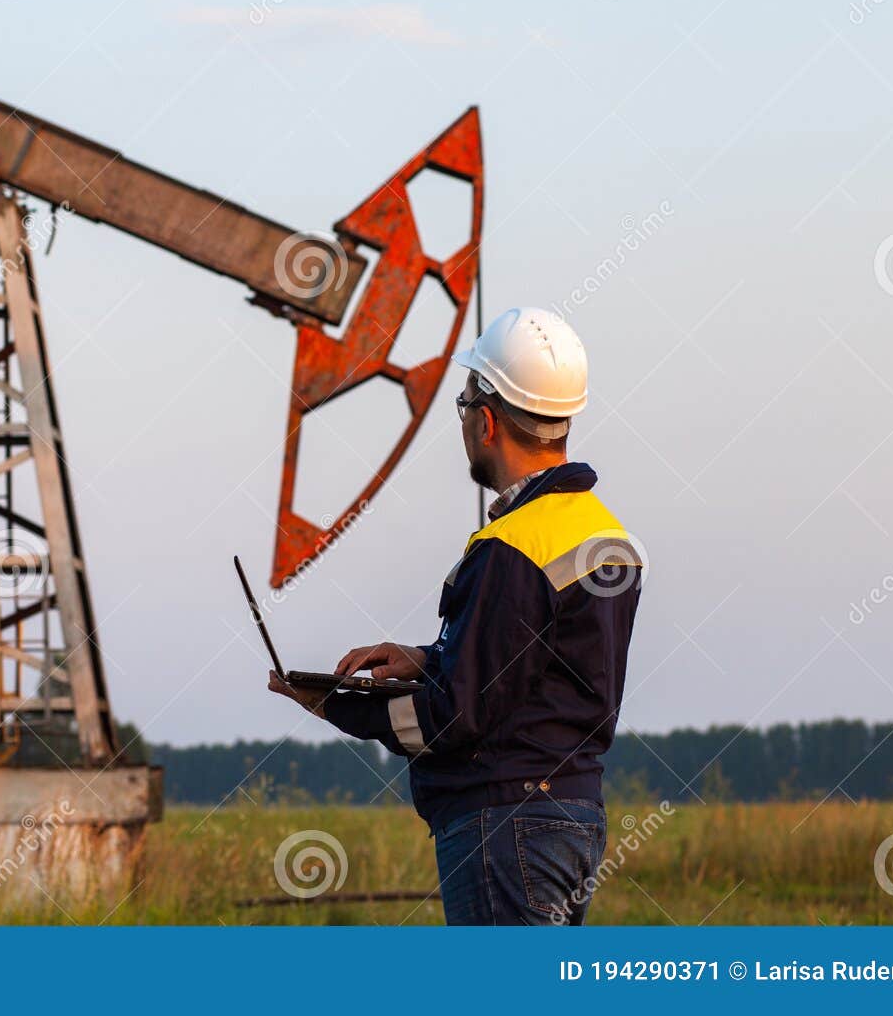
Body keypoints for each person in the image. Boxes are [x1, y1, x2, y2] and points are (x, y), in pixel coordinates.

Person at [269, 306, 644, 925]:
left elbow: (455, 718)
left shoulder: (512, 549)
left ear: (487, 420)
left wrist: (332, 702)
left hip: (505, 823)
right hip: (573, 814)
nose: (464, 422)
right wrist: (427, 658)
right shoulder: (604, 537)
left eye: (464, 405)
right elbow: (539, 670)